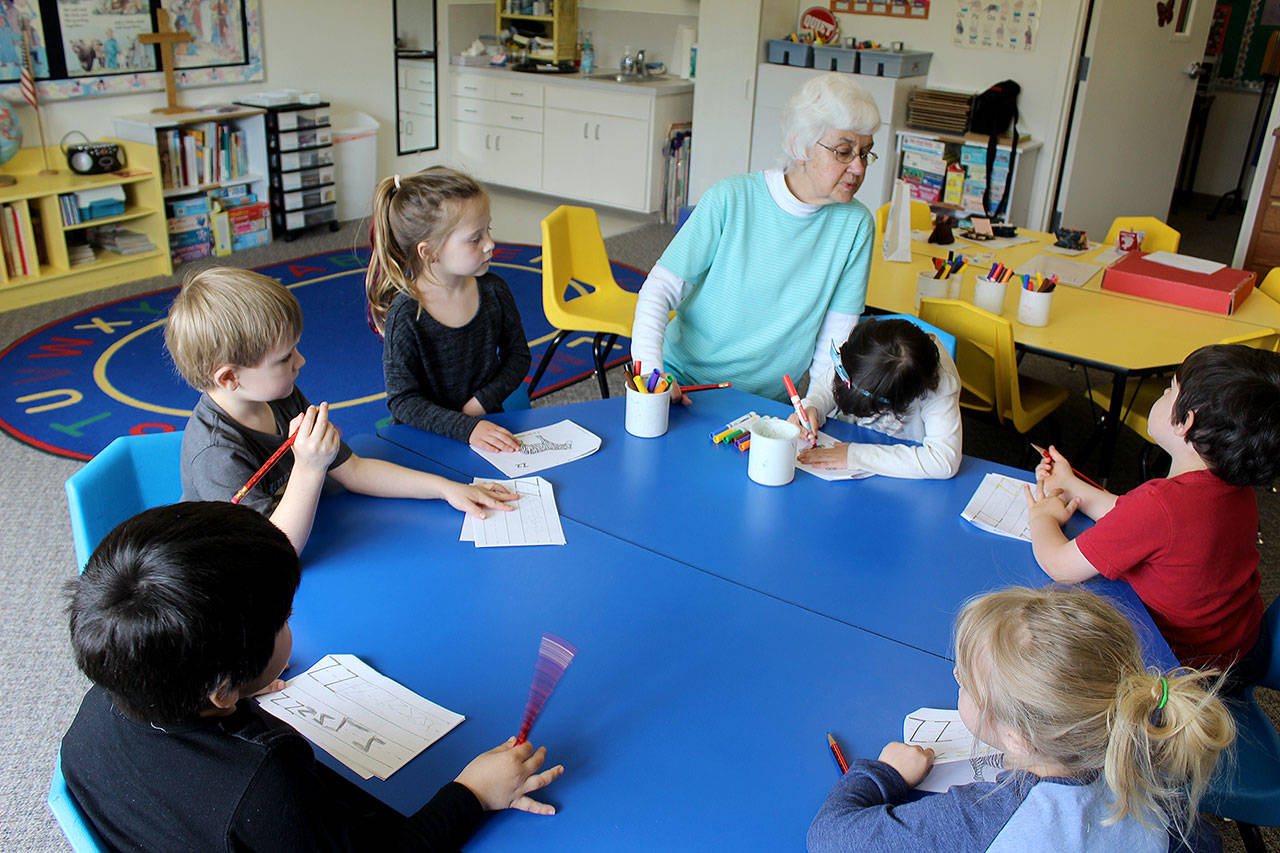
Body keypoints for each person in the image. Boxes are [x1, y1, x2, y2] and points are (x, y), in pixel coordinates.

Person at [61, 502, 564, 850]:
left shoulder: (102, 703)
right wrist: (472, 793)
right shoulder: (267, 783)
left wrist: (246, 694)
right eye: (283, 620)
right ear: (219, 690)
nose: (289, 622)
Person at [807, 586, 1233, 852]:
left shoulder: (985, 819)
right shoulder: (1148, 759)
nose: (955, 675)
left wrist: (884, 774)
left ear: (1016, 738)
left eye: (966, 683)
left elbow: (829, 838)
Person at [165, 267, 516, 554]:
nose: (301, 361)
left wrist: (445, 488)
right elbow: (274, 553)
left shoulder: (277, 396)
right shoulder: (215, 454)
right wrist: (309, 467)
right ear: (228, 378)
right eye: (285, 358)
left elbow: (354, 470)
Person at [1026, 343, 1280, 689]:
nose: (1161, 395)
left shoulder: (1161, 505)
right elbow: (1138, 521)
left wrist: (1042, 517)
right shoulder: (1236, 488)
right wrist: (1072, 487)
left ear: (1186, 421)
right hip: (1237, 650)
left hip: (1178, 673)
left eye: (1169, 390)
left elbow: (1059, 565)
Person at [630, 73, 879, 411]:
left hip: (765, 403)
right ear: (800, 146)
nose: (858, 168)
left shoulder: (856, 224)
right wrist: (651, 374)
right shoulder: (732, 198)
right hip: (682, 386)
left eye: (866, 153)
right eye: (844, 152)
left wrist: (818, 406)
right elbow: (659, 290)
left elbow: (837, 338)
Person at [366, 168, 531, 452]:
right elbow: (403, 401)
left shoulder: (494, 290)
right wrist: (464, 426)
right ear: (429, 252)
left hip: (484, 426)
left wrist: (479, 404)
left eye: (487, 230)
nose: (491, 244)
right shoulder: (406, 314)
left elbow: (518, 356)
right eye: (475, 238)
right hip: (424, 440)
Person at [792, 317, 962, 479]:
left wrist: (854, 456)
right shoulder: (863, 351)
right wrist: (813, 406)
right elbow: (828, 384)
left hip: (904, 462)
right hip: (853, 436)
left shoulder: (940, 386)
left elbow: (944, 460)